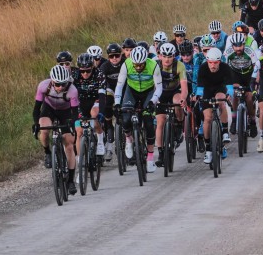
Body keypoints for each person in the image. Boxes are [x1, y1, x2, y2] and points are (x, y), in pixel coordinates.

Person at [113, 45, 163, 173]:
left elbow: (159, 88)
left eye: (141, 65)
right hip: (132, 92)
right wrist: (117, 103)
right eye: (136, 65)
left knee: (148, 123)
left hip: (148, 92)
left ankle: (150, 159)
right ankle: (129, 140)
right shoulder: (127, 64)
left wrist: (153, 102)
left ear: (146, 60)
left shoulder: (153, 65)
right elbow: (119, 86)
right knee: (125, 119)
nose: (139, 67)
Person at [33, 65, 79, 195]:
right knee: (44, 130)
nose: (60, 88)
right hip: (49, 109)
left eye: (63, 84)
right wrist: (36, 123)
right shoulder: (43, 86)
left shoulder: (72, 90)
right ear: (52, 81)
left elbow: (75, 113)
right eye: (57, 84)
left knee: (69, 145)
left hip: (66, 112)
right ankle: (47, 153)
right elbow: (37, 108)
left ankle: (70, 181)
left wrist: (72, 126)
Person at [195, 47, 236, 164]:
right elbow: (200, 87)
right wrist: (198, 96)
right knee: (207, 118)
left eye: (215, 63)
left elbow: (229, 87)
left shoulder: (225, 68)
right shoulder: (203, 68)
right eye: (210, 63)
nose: (213, 65)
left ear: (220, 61)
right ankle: (208, 149)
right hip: (207, 90)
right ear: (207, 61)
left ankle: (224, 131)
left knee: (221, 101)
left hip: (219, 88)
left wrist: (229, 95)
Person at [154, 42, 188, 168]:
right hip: (160, 92)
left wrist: (183, 99)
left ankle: (179, 126)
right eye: (164, 56)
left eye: (170, 56)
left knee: (177, 102)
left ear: (174, 56)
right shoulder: (155, 65)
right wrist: (154, 99)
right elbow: (152, 86)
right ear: (160, 55)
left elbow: (184, 87)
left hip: (174, 91)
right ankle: (161, 153)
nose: (167, 59)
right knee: (160, 122)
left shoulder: (180, 65)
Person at [72, 53, 107, 164]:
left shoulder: (99, 74)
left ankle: (100, 142)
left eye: (88, 70)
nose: (85, 73)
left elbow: (102, 96)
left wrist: (101, 112)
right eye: (82, 71)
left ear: (93, 67)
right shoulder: (74, 75)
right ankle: (80, 160)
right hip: (80, 103)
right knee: (79, 132)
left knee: (94, 116)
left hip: (95, 101)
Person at [223, 33, 258, 137]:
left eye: (240, 45)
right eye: (235, 46)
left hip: (249, 75)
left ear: (244, 44)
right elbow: (224, 69)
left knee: (249, 98)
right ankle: (234, 120)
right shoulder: (227, 53)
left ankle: (252, 122)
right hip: (235, 75)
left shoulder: (250, 51)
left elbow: (256, 68)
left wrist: (254, 83)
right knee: (234, 94)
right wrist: (227, 84)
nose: (238, 48)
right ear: (232, 45)